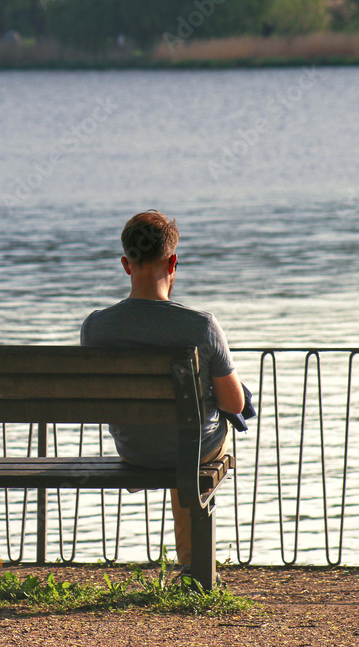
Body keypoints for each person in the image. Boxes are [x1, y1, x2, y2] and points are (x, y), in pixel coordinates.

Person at [80, 210, 245, 572]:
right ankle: (193, 567)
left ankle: (189, 564)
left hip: (134, 449)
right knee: (200, 438)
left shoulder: (96, 327)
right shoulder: (201, 326)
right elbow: (234, 402)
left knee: (183, 436)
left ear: (126, 264)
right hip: (192, 450)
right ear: (173, 262)